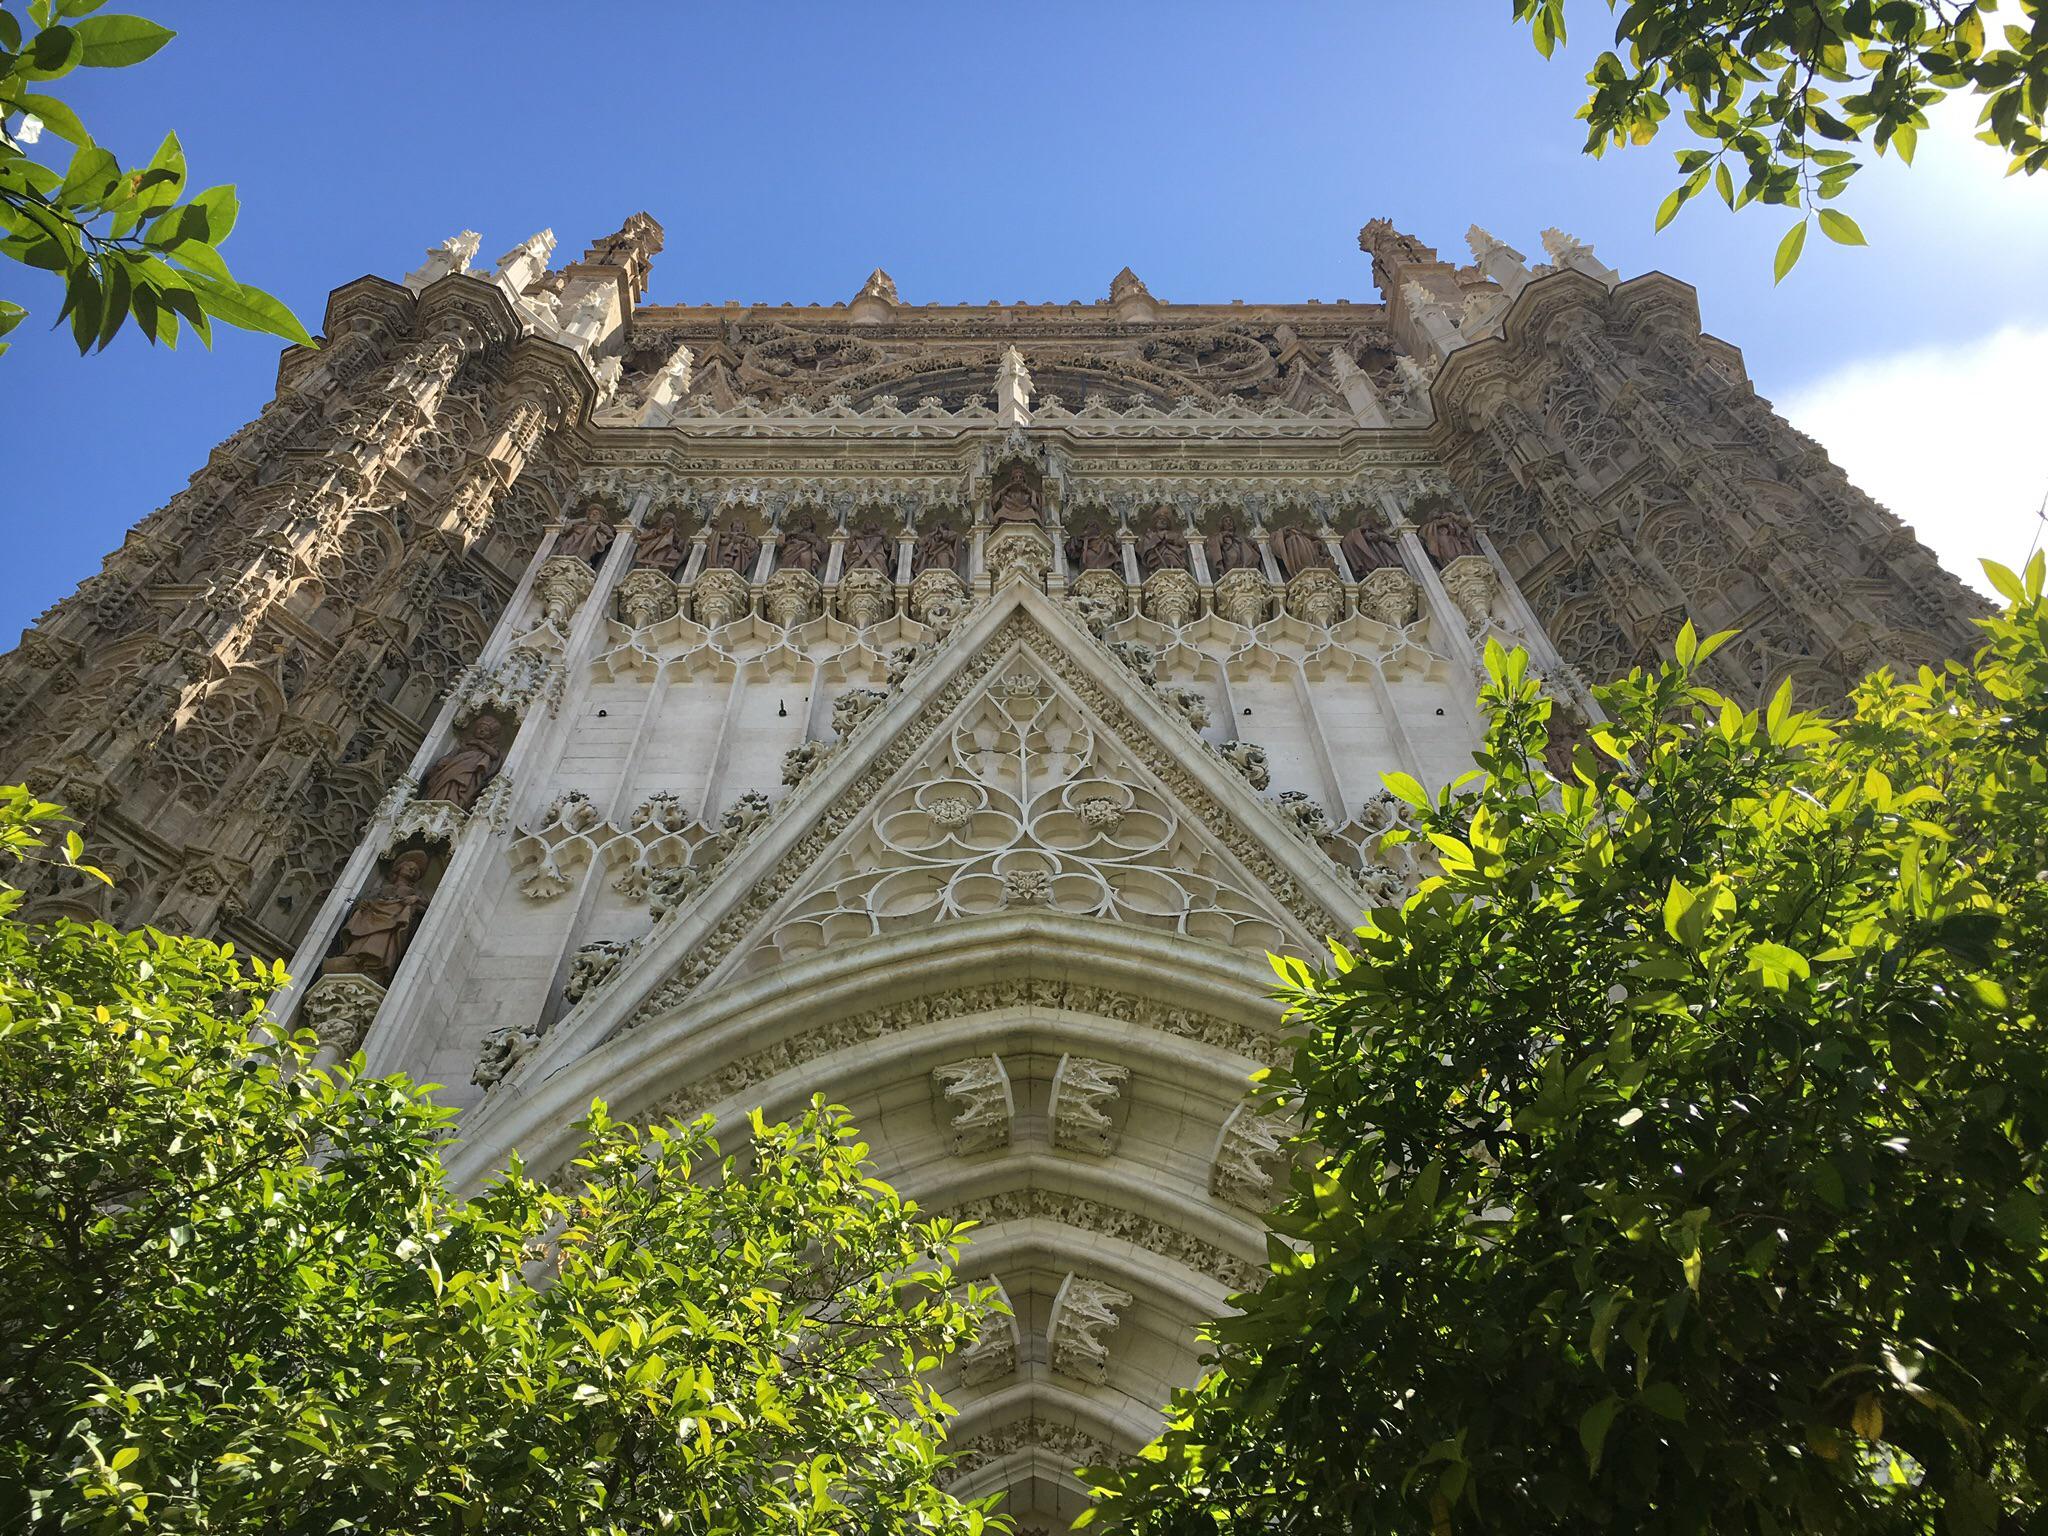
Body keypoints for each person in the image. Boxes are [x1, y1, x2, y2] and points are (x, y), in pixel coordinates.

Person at [323, 850, 431, 985]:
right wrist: (362, 905)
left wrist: (416, 899)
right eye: (409, 867)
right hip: (372, 918)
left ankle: (375, 968)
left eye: (416, 871)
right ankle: (354, 959)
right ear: (399, 868)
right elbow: (367, 900)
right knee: (363, 921)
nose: (412, 871)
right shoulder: (382, 889)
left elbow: (427, 906)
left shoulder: (416, 892)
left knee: (381, 942)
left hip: (392, 923)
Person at [420, 715, 504, 809]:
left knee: (460, 784)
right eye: (480, 728)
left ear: (491, 735)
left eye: (486, 730)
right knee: (447, 780)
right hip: (453, 766)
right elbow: (454, 753)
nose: (481, 731)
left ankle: (453, 803)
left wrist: (479, 743)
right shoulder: (466, 742)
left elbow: (495, 755)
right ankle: (437, 800)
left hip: (469, 772)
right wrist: (443, 761)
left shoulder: (489, 747)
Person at [631, 509, 690, 576]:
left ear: (673, 524)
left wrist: (673, 535)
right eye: (665, 522)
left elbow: (680, 546)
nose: (666, 524)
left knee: (667, 546)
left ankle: (659, 560)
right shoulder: (655, 532)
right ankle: (655, 559)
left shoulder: (674, 535)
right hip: (652, 551)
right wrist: (658, 532)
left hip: (667, 552)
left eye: (669, 522)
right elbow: (642, 537)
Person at [1137, 508, 1186, 574]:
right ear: (1155, 523)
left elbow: (1181, 542)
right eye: (1161, 520)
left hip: (1171, 554)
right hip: (1156, 557)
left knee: (1169, 557)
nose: (1163, 522)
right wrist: (1152, 542)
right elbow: (1143, 547)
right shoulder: (1150, 535)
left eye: (1165, 521)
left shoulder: (1172, 534)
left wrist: (1167, 538)